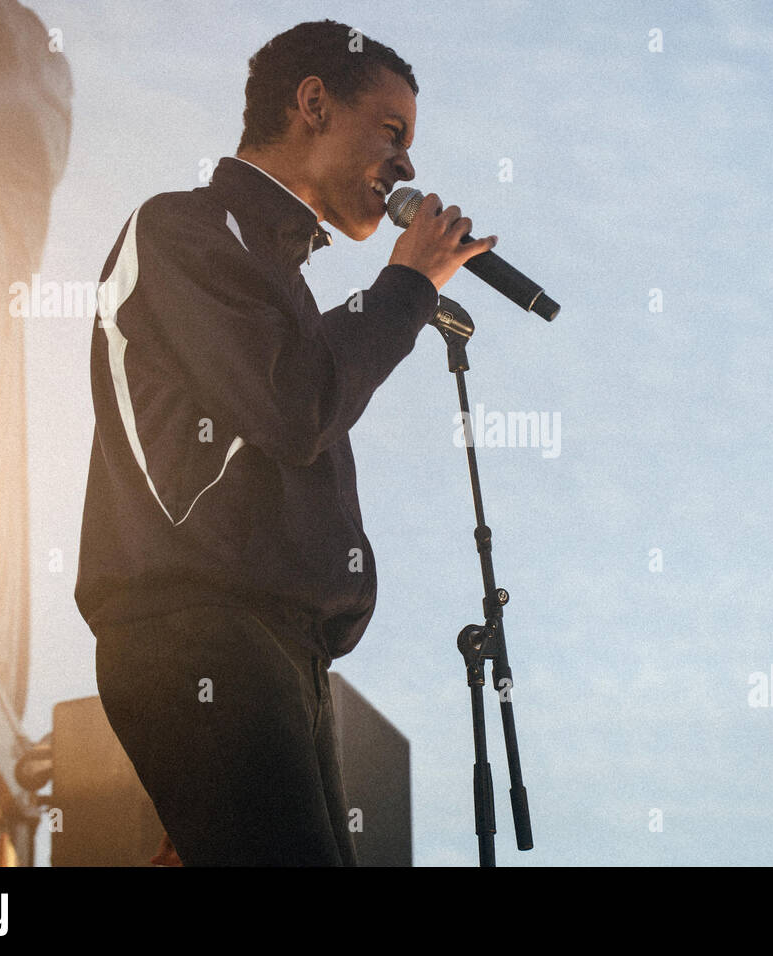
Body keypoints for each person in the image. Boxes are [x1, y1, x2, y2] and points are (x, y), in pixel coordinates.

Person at [74, 19, 495, 866]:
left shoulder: (283, 286)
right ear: (313, 104)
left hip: (281, 656)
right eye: (392, 133)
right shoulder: (181, 228)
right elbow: (293, 406)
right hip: (201, 629)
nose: (406, 167)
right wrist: (407, 284)